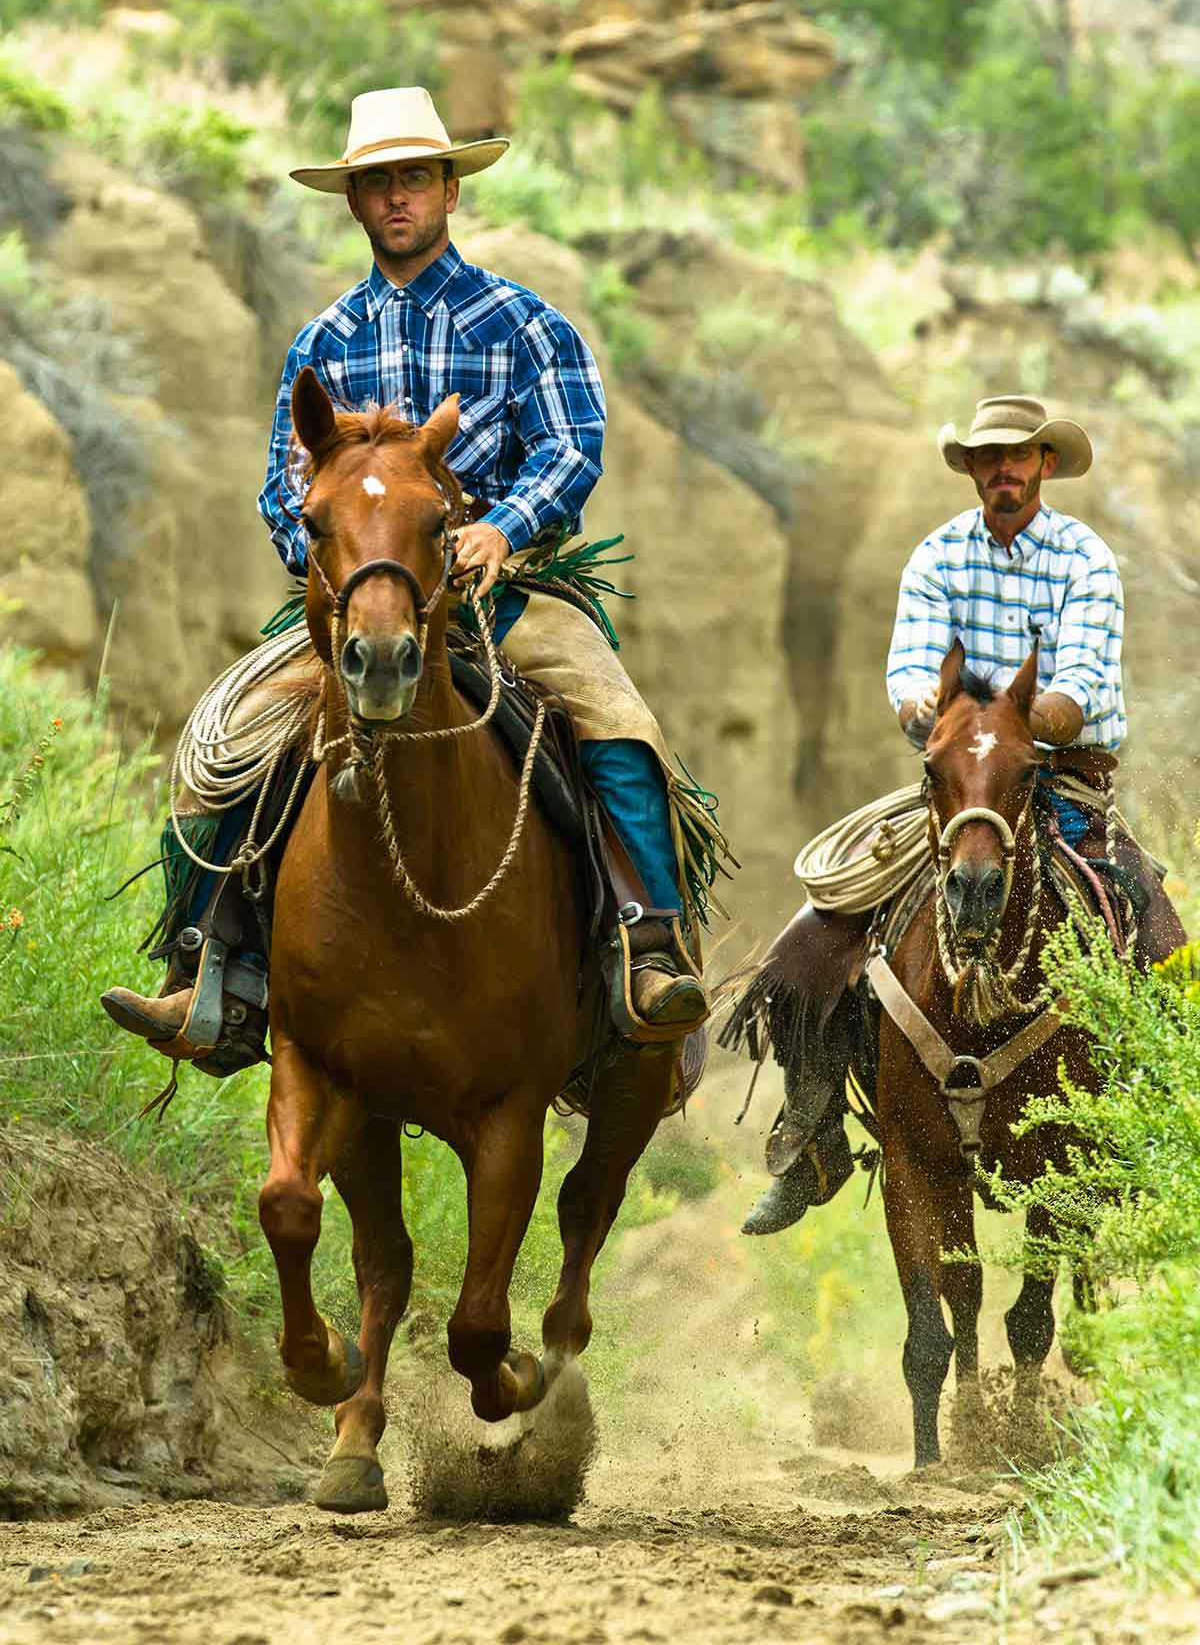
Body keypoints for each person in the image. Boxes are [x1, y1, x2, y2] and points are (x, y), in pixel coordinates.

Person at [101, 87, 719, 1072]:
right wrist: (341, 566)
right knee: (220, 742)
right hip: (361, 602)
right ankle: (206, 972)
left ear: (449, 192)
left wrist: (504, 530)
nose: (398, 198)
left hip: (499, 597)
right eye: (379, 183)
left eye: (416, 180)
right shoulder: (321, 343)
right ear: (354, 201)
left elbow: (571, 447)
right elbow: (280, 486)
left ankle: (645, 949)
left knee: (617, 723)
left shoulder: (524, 322)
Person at [738, 394, 1186, 1235]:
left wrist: (1018, 724)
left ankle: (1157, 1146)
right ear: (973, 468)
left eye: (1019, 456)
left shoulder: (1084, 558)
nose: (1003, 471)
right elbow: (910, 667)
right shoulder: (937, 556)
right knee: (806, 944)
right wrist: (929, 714)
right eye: (989, 458)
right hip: (956, 785)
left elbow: (1080, 685)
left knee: (1164, 947)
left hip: (1065, 781)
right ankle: (815, 1136)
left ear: (1046, 464)